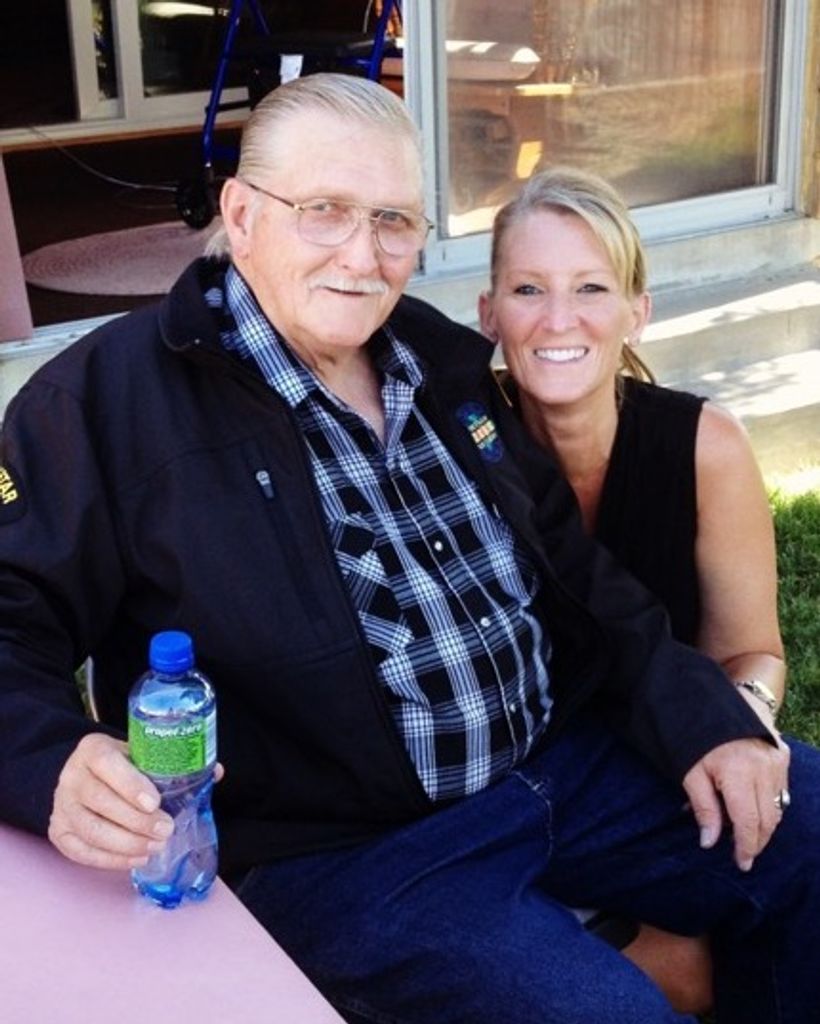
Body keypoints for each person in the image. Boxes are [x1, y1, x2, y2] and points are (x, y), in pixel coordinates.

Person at [0, 73, 817, 1024]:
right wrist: (52, 759)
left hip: (562, 764)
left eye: (393, 220)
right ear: (242, 214)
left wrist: (704, 715)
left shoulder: (435, 360)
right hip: (350, 855)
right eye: (325, 211)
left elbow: (575, 575)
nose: (364, 255)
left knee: (807, 829)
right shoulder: (100, 402)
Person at [478, 165, 787, 1013]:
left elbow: (753, 650)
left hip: (665, 763)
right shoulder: (463, 446)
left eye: (591, 288)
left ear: (635, 311)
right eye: (528, 289)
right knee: (670, 973)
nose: (559, 319)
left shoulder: (704, 447)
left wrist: (738, 719)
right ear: (489, 313)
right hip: (525, 788)